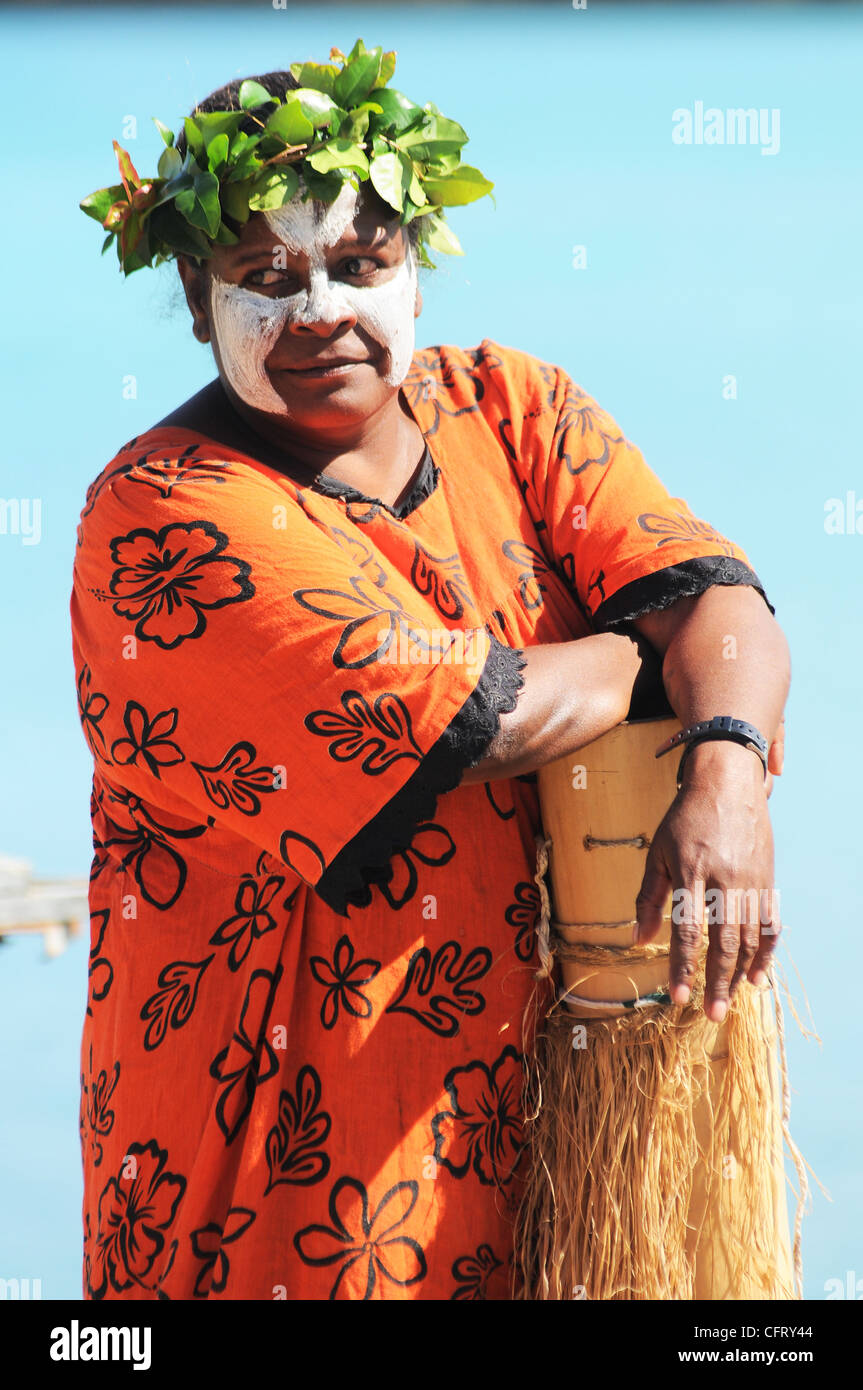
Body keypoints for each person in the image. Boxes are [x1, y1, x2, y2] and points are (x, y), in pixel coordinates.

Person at [72, 51, 789, 1301]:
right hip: (265, 1195)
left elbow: (722, 603)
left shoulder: (514, 408)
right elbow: (467, 713)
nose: (320, 313)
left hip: (538, 1173)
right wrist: (647, 647)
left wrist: (724, 770)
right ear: (195, 298)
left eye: (358, 264)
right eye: (265, 279)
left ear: (416, 260)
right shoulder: (161, 516)